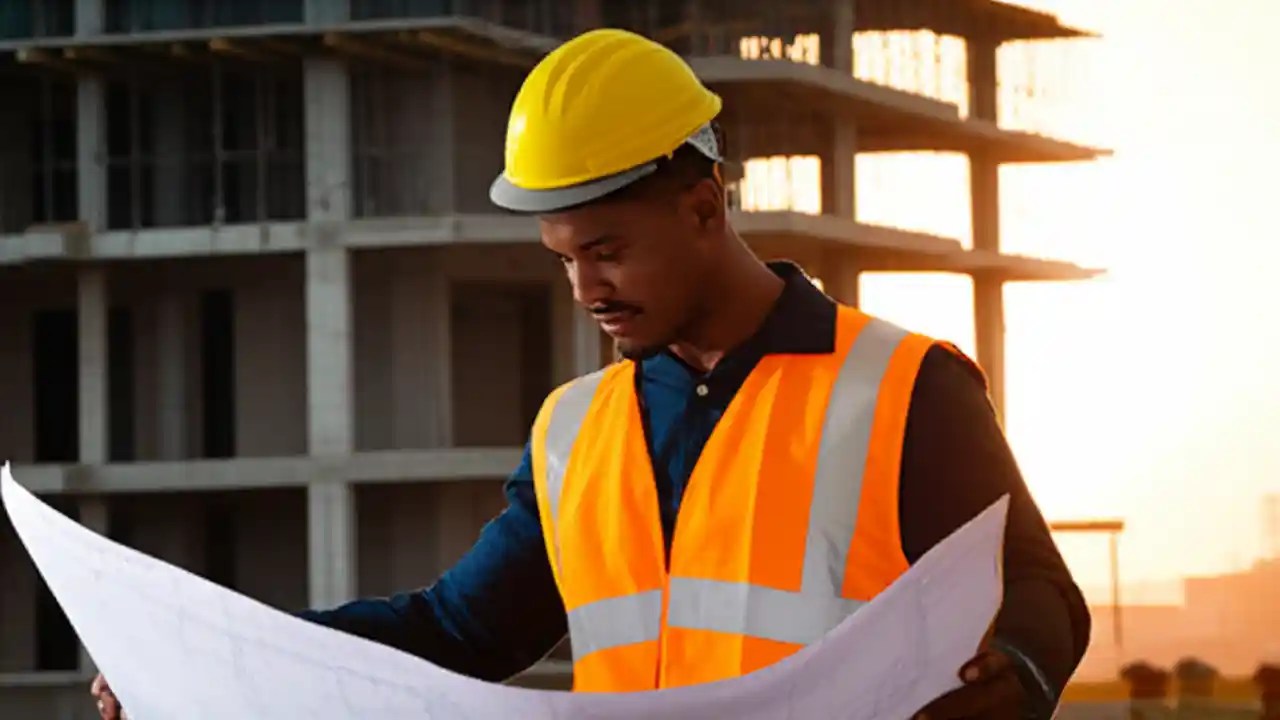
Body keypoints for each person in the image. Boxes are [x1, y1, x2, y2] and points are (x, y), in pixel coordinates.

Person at [92, 27, 1090, 720]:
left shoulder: (902, 389)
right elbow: (456, 629)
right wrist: (205, 655)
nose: (584, 288)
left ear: (704, 208)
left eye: (606, 248)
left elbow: (1043, 596)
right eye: (562, 257)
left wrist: (1016, 671)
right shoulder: (576, 431)